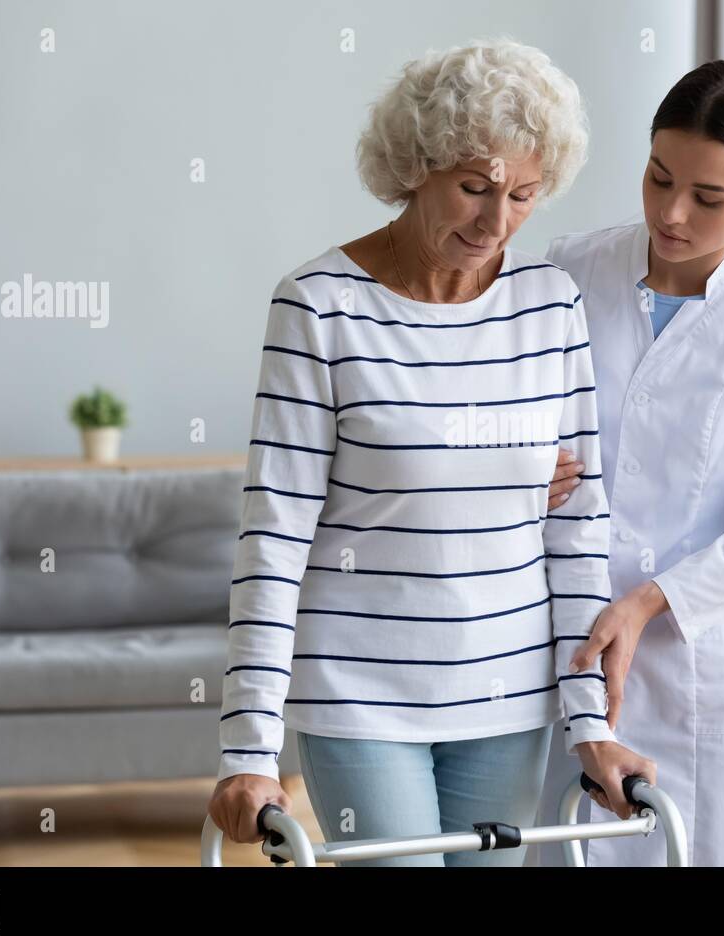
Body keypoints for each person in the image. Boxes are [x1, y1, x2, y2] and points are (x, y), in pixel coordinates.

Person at [206, 38, 652, 866]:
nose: (495, 222)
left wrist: (588, 723)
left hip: (508, 694)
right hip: (357, 695)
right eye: (474, 187)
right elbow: (273, 538)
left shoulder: (548, 305)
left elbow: (575, 532)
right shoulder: (319, 306)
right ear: (417, 164)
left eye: (523, 195)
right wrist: (247, 751)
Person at [530, 59, 724, 866]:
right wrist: (523, 466)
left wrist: (650, 602)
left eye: (709, 199)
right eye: (658, 177)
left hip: (710, 666)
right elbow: (509, 426)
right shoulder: (570, 269)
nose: (671, 214)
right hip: (568, 651)